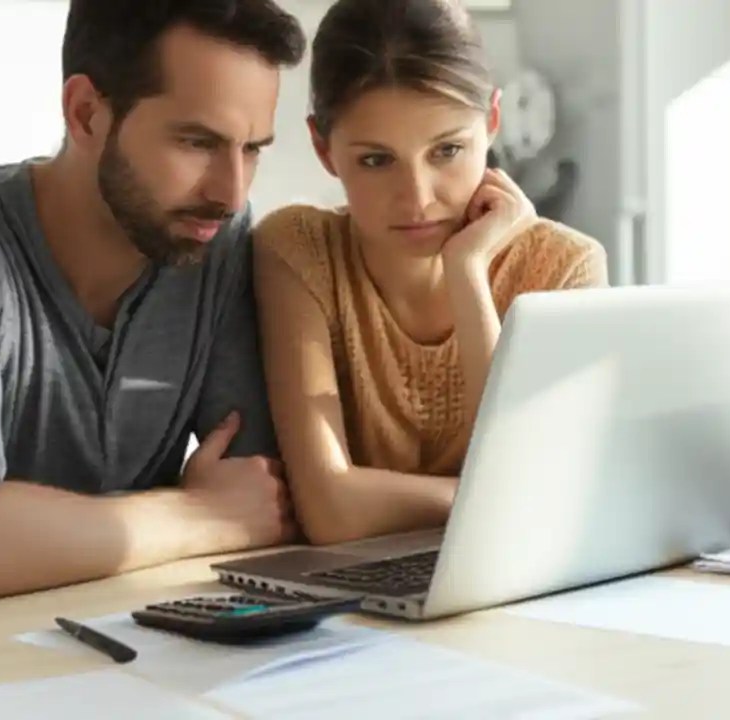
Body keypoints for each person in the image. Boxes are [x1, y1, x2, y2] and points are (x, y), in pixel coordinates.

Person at [0, 0, 306, 607]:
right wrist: (205, 513)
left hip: (125, 640)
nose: (231, 191)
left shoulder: (212, 240)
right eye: (197, 142)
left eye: (252, 149)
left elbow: (269, 498)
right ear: (86, 113)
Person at [253, 0, 609, 546]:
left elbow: (549, 497)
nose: (417, 198)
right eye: (377, 160)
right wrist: (495, 496)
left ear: (491, 122)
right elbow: (331, 512)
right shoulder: (299, 252)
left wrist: (467, 271)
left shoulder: (564, 268)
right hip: (355, 596)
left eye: (447, 150)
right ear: (325, 149)